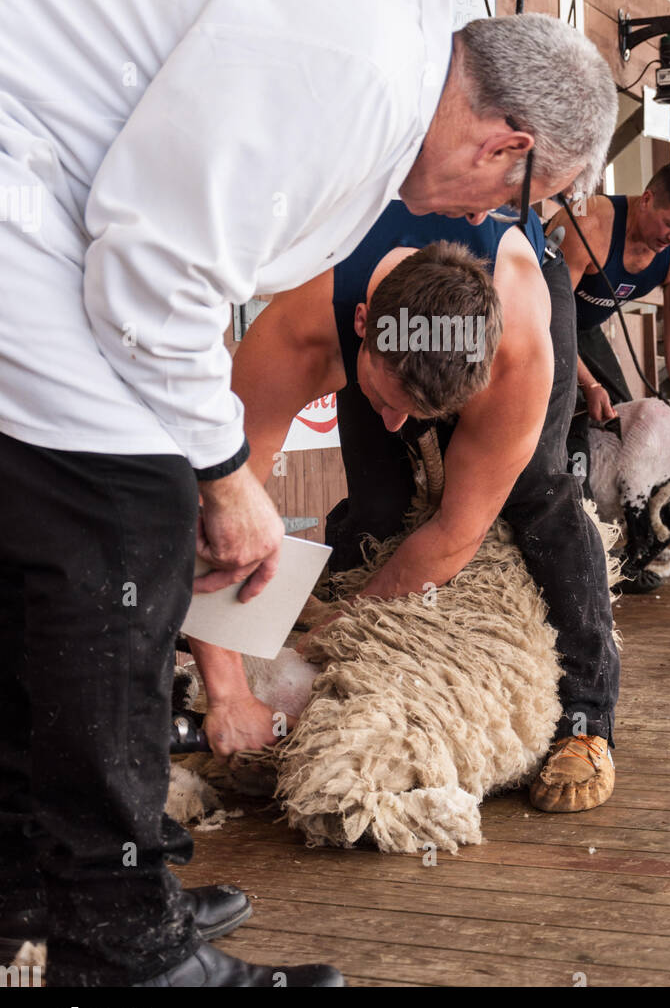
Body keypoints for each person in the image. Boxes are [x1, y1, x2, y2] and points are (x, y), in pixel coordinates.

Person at [0, 0, 618, 987]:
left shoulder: (406, 134)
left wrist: (318, 622)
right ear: (505, 149)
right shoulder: (352, 88)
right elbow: (155, 274)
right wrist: (227, 485)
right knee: (118, 527)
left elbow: (453, 530)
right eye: (532, 202)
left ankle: (57, 884)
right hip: (34, 191)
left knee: (545, 498)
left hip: (58, 206)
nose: (504, 218)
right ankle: (120, 951)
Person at [201, 200, 619, 813]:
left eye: (420, 414)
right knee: (380, 499)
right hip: (379, 316)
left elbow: (456, 532)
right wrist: (227, 694)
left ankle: (587, 720)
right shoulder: (299, 331)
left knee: (538, 493)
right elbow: (212, 502)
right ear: (364, 324)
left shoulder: (517, 353)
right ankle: (316, 672)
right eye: (385, 395)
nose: (396, 421)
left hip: (513, 281)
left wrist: (348, 630)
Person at [549, 162, 670, 588]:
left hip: (584, 330)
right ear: (645, 199)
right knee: (570, 428)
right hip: (537, 323)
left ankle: (619, 556)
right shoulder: (587, 223)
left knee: (619, 437)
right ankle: (575, 566)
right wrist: (587, 384)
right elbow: (551, 320)